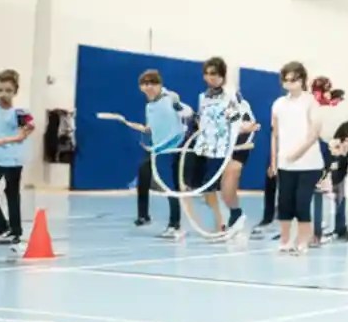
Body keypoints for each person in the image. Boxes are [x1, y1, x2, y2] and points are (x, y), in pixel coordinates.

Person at [187, 57, 256, 238]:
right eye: (208, 74)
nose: (211, 78)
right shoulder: (203, 98)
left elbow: (243, 120)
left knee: (228, 186)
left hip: (238, 144)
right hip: (215, 147)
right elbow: (204, 122)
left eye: (215, 74)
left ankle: (235, 214)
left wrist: (244, 127)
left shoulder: (231, 95)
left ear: (223, 76)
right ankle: (222, 222)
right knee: (208, 187)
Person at [127, 70, 192, 238]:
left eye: (152, 83)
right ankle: (144, 216)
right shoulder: (149, 106)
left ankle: (175, 225)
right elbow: (152, 127)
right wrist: (143, 128)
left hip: (174, 147)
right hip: (158, 148)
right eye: (145, 84)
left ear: (159, 84)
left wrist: (184, 114)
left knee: (171, 187)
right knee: (143, 172)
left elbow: (187, 112)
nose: (148, 87)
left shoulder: (171, 97)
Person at [271, 61, 325, 254]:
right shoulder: (278, 104)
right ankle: (285, 240)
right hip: (286, 165)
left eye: (294, 80)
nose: (290, 83)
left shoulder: (311, 102)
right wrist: (274, 161)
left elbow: (314, 133)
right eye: (286, 80)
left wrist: (298, 153)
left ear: (302, 80)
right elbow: (275, 134)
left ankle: (304, 240)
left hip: (309, 164)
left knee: (302, 202)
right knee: (285, 203)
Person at [0, 69, 34, 245]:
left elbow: (28, 130)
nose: (3, 94)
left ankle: (14, 231)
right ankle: (2, 226)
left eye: (8, 90)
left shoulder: (19, 112)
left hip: (13, 159)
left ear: (15, 91)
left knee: (10, 192)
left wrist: (4, 141)